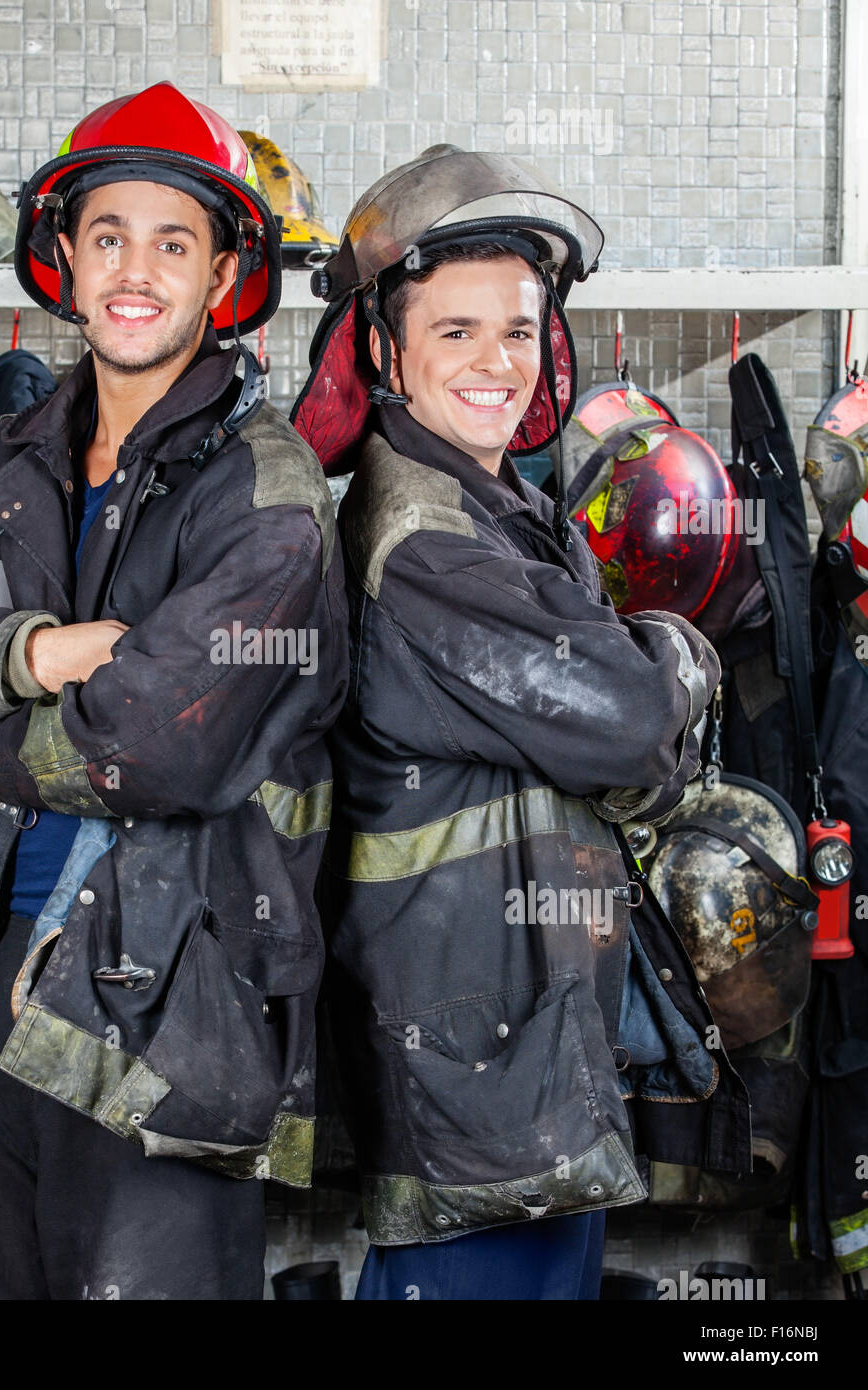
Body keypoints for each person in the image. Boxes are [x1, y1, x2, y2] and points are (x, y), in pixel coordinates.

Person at [0, 82, 347, 1300]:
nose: (136, 270)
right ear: (64, 257)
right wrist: (37, 656)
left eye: (173, 242)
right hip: (1, 973)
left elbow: (161, 745)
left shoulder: (266, 487)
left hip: (175, 1002)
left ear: (222, 277)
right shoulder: (15, 460)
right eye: (109, 236)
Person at [292, 147, 750, 1300]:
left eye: (515, 331)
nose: (496, 363)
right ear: (385, 352)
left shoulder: (500, 511)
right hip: (474, 1083)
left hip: (521, 1064)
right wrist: (680, 651)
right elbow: (633, 720)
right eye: (455, 332)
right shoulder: (428, 543)